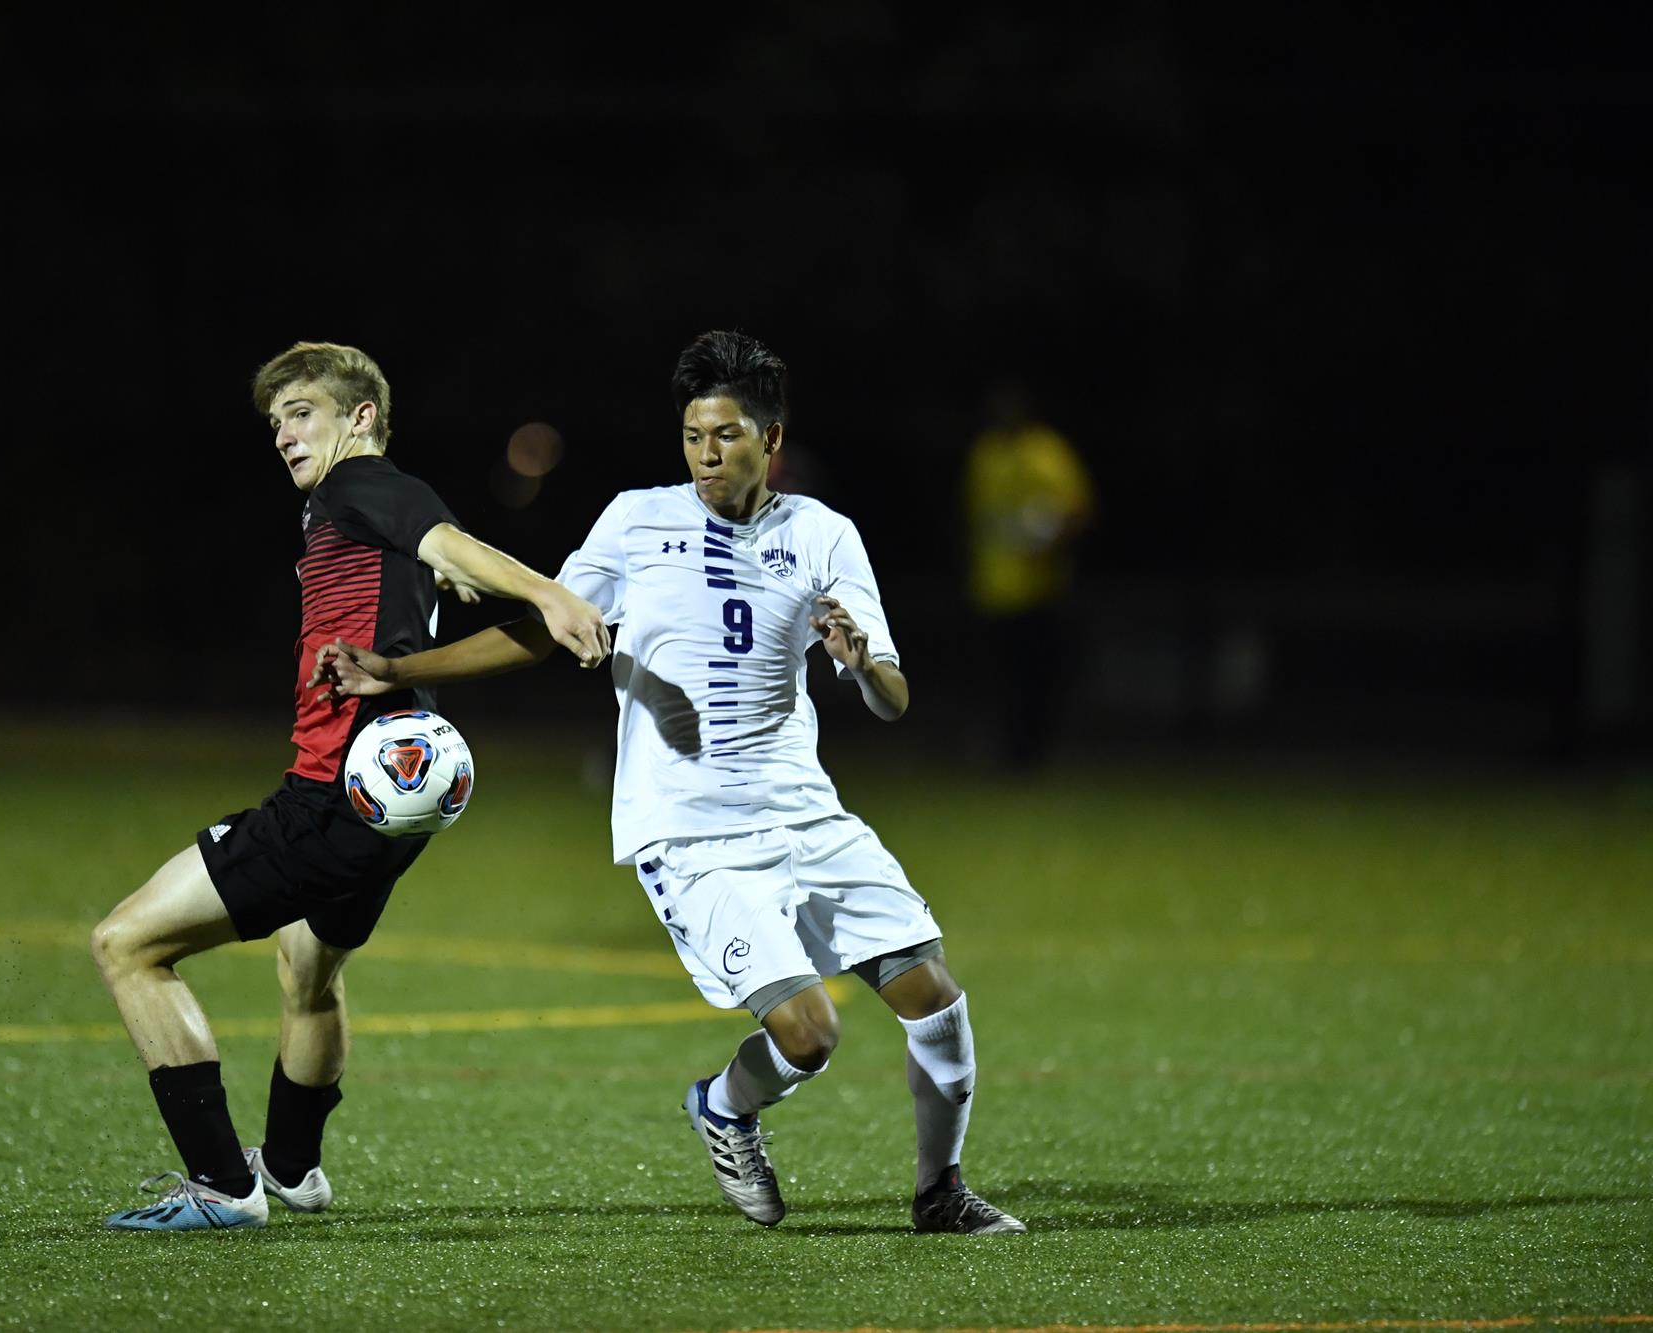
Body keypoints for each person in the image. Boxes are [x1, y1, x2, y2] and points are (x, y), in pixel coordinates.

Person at [321, 330, 1025, 1235]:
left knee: (938, 1004)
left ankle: (940, 1192)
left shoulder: (822, 535)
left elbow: (891, 696)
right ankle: (726, 1107)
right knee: (810, 1033)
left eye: (726, 435)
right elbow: (545, 626)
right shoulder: (633, 521)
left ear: (771, 440)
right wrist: (396, 668)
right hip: (689, 832)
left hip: (807, 816)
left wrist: (858, 661)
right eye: (693, 434)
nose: (705, 454)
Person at [90, 341, 610, 1231]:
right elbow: (430, 550)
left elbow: (442, 534)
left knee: (126, 943)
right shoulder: (362, 518)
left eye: (303, 413)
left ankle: (223, 1186)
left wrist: (545, 592)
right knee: (308, 964)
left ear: (359, 418)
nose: (285, 435)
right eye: (276, 422)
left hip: (334, 796)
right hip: (389, 806)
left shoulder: (357, 486)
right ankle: (292, 1170)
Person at [963, 380, 1094, 771]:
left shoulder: (1046, 452)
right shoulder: (985, 455)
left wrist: (1050, 533)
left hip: (1039, 589)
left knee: (1037, 679)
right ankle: (1003, 753)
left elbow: (1078, 509)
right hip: (991, 588)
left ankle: (1033, 756)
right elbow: (974, 517)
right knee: (999, 680)